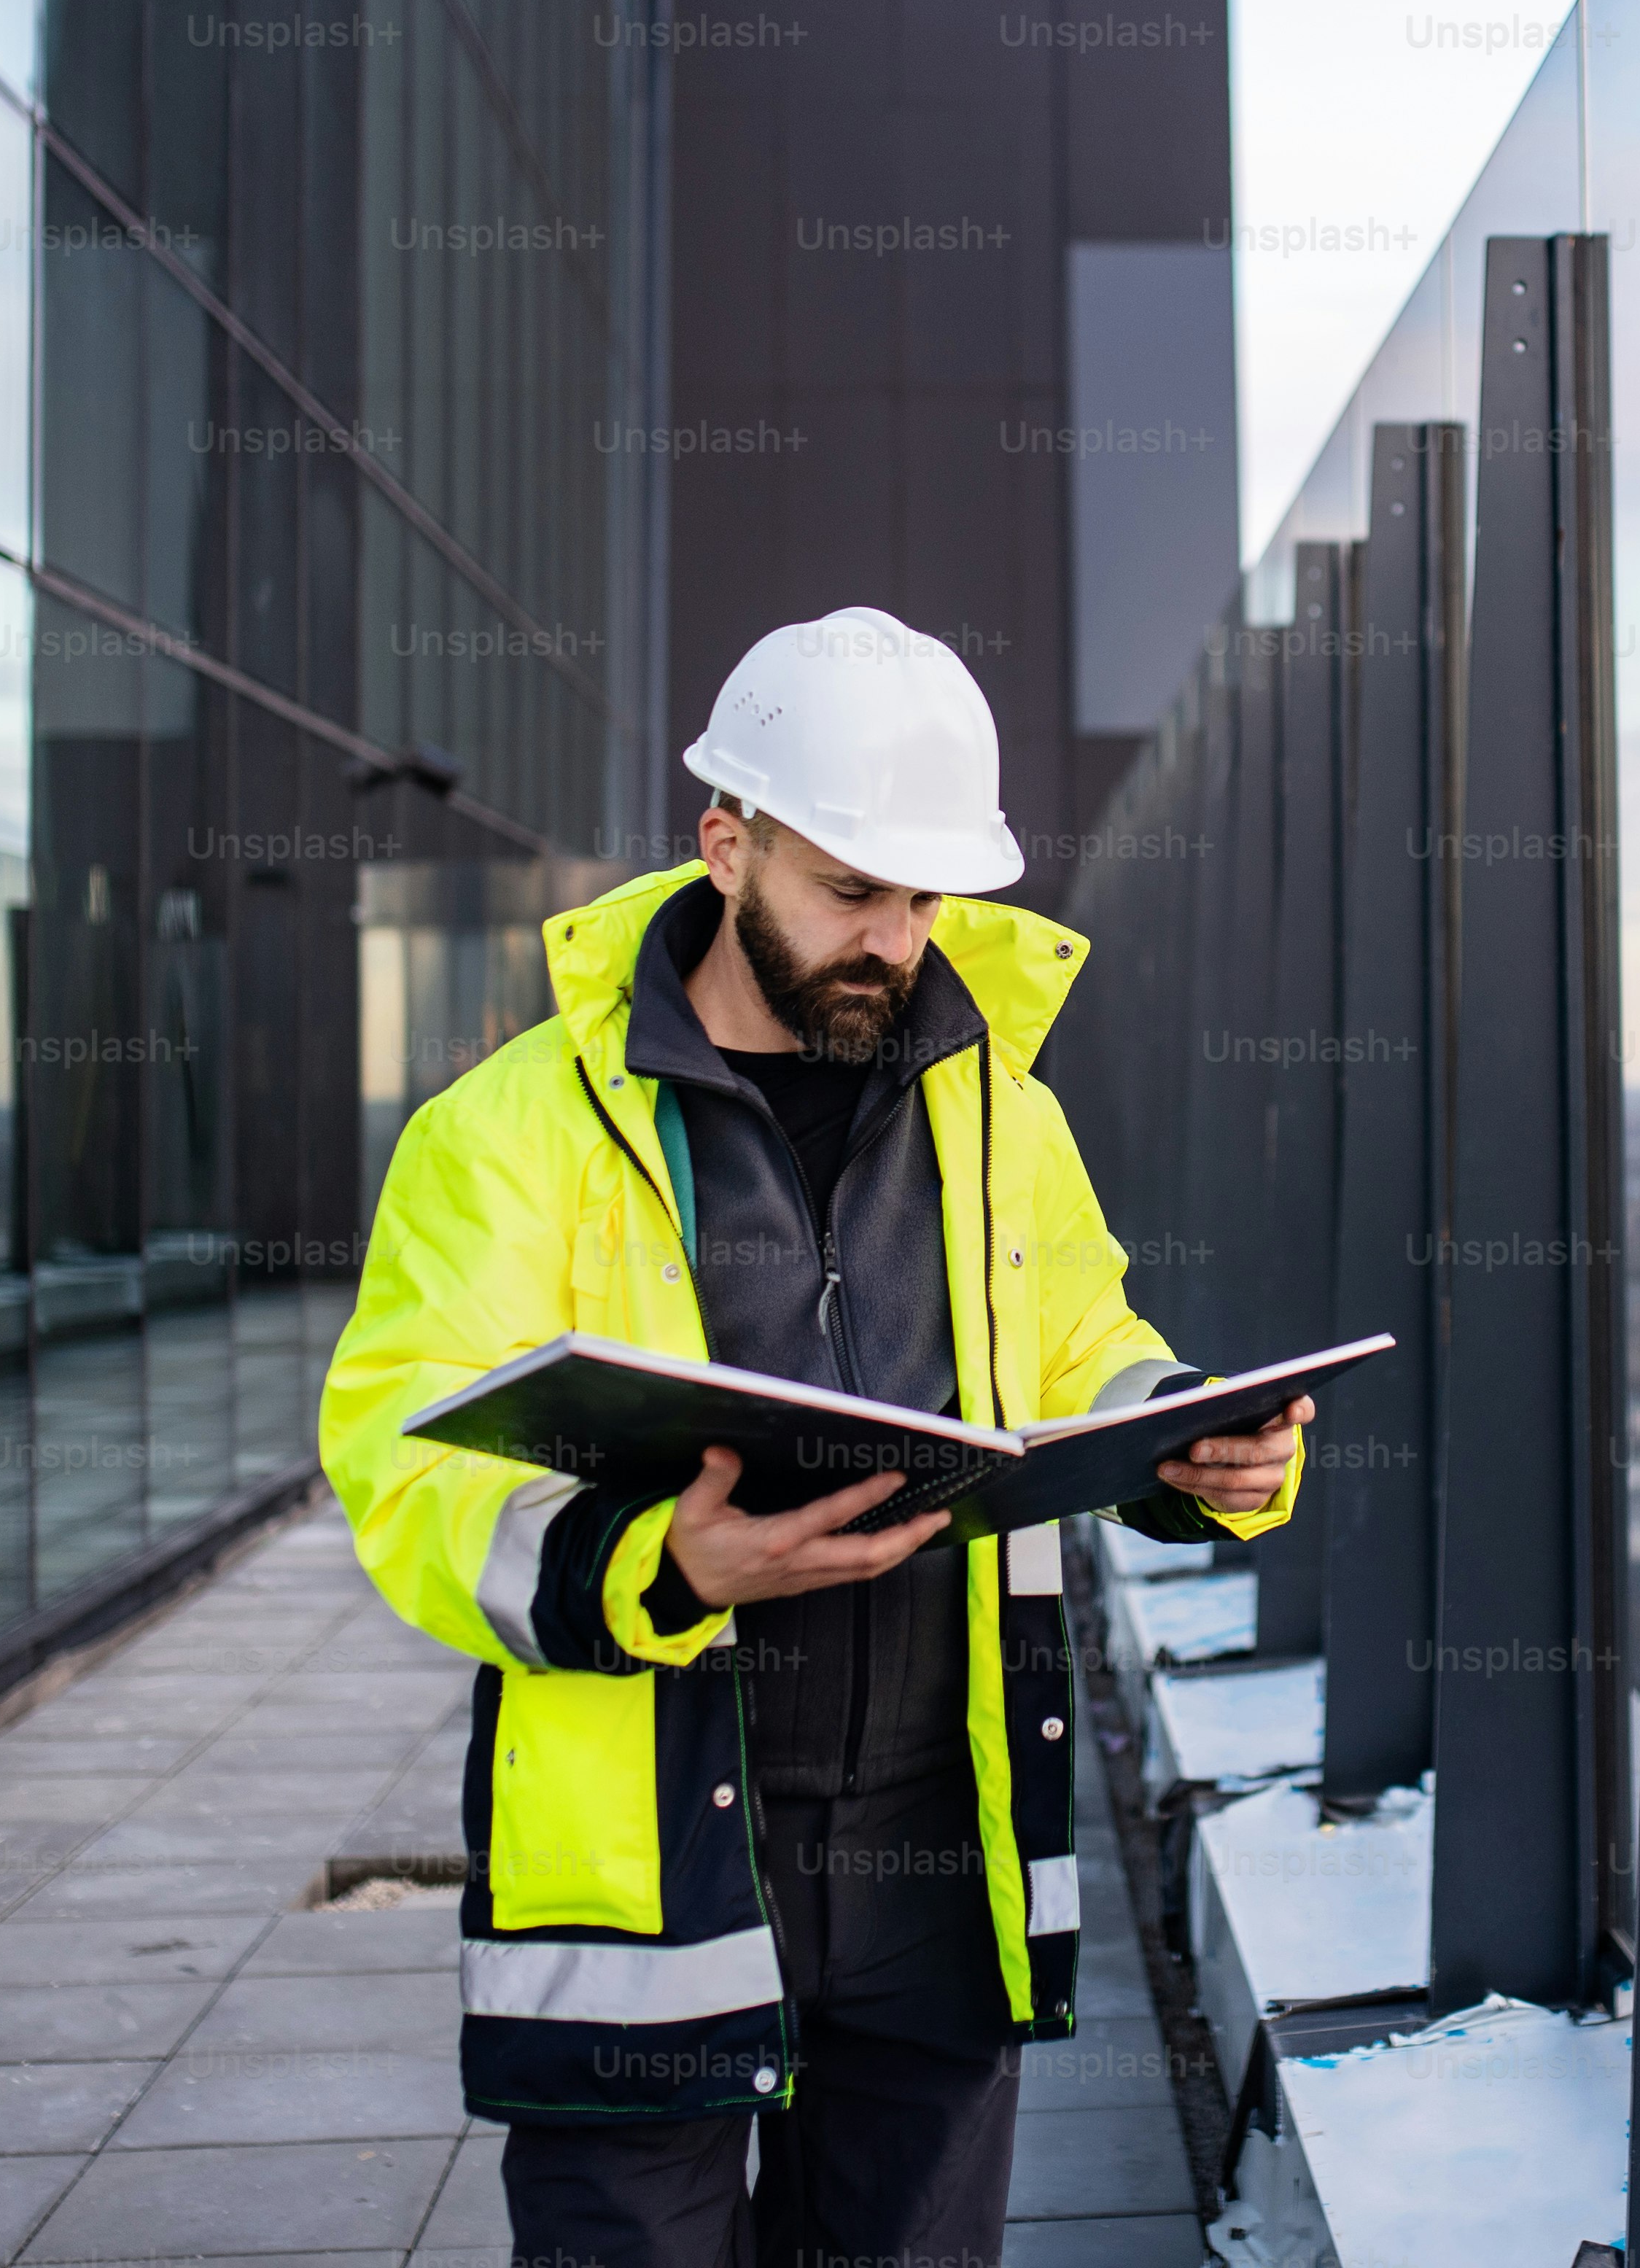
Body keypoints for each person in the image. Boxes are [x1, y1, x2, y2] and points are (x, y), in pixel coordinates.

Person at [322, 606, 1309, 2268]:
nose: (895, 939)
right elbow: (401, 1458)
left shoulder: (1002, 1110)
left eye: (927, 897)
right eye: (850, 889)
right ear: (728, 842)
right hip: (648, 1863)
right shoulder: (503, 1134)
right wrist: (654, 1561)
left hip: (937, 1849)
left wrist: (1183, 1440)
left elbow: (1085, 1344)